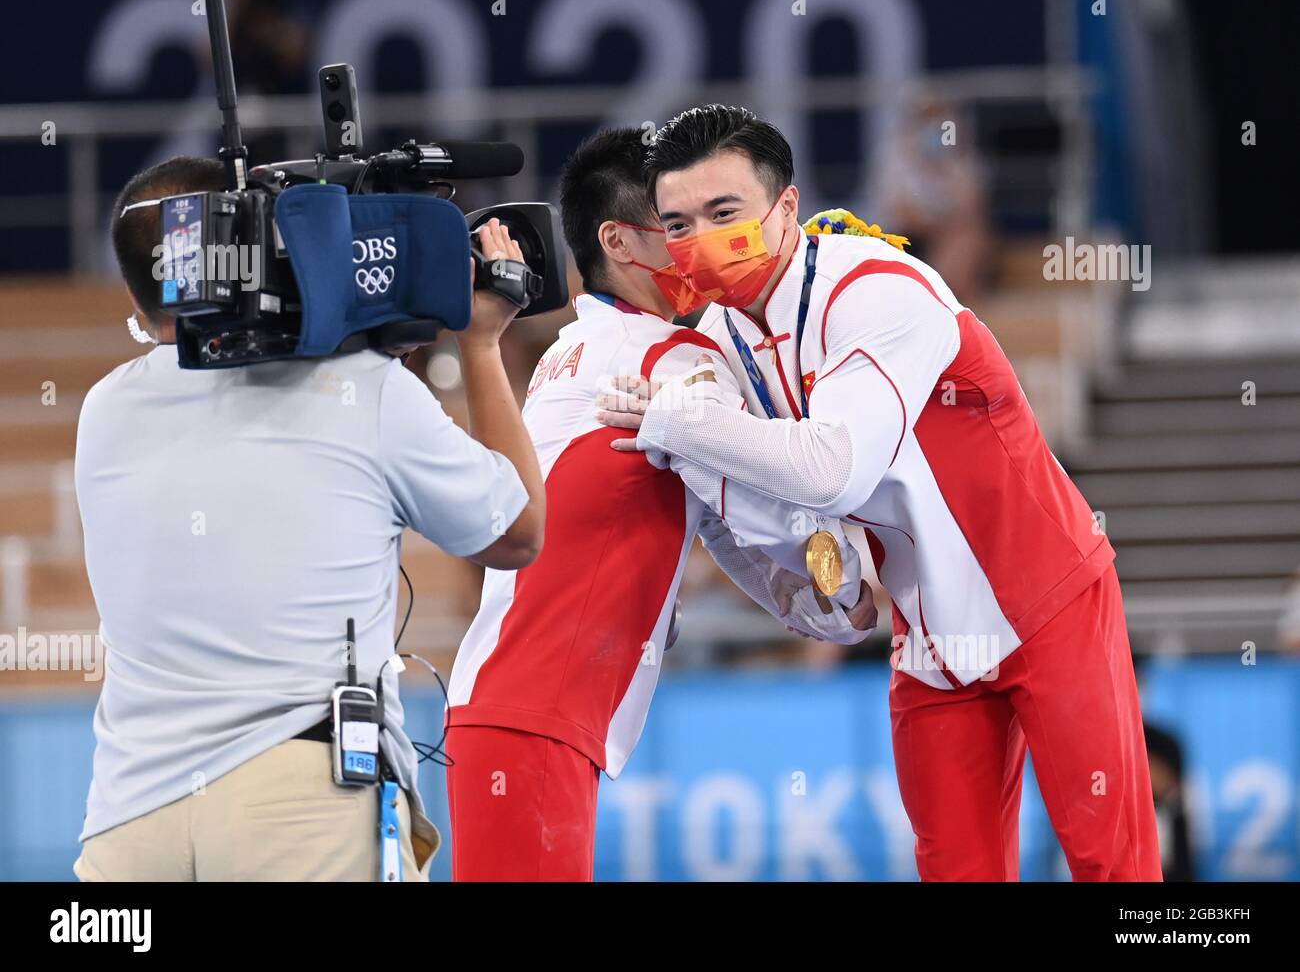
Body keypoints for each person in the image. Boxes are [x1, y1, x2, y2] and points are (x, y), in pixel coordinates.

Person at [597, 105, 1162, 881]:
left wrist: (673, 417)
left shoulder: (875, 290)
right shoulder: (719, 340)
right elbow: (739, 496)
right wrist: (804, 592)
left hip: (1047, 597)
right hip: (927, 636)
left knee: (1116, 870)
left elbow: (832, 470)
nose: (702, 239)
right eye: (680, 223)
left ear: (786, 208)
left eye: (724, 213)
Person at [73, 156, 545, 881]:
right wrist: (479, 344)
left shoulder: (102, 410)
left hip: (127, 819)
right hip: (301, 808)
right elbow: (516, 531)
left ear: (139, 305)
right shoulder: (363, 389)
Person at [443, 128, 876, 881]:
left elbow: (726, 525)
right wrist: (841, 578)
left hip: (514, 706)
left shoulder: (568, 354)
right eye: (673, 225)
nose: (695, 243)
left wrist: (808, 598)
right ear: (619, 240)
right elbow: (776, 514)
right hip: (534, 713)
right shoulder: (674, 358)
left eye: (706, 220)